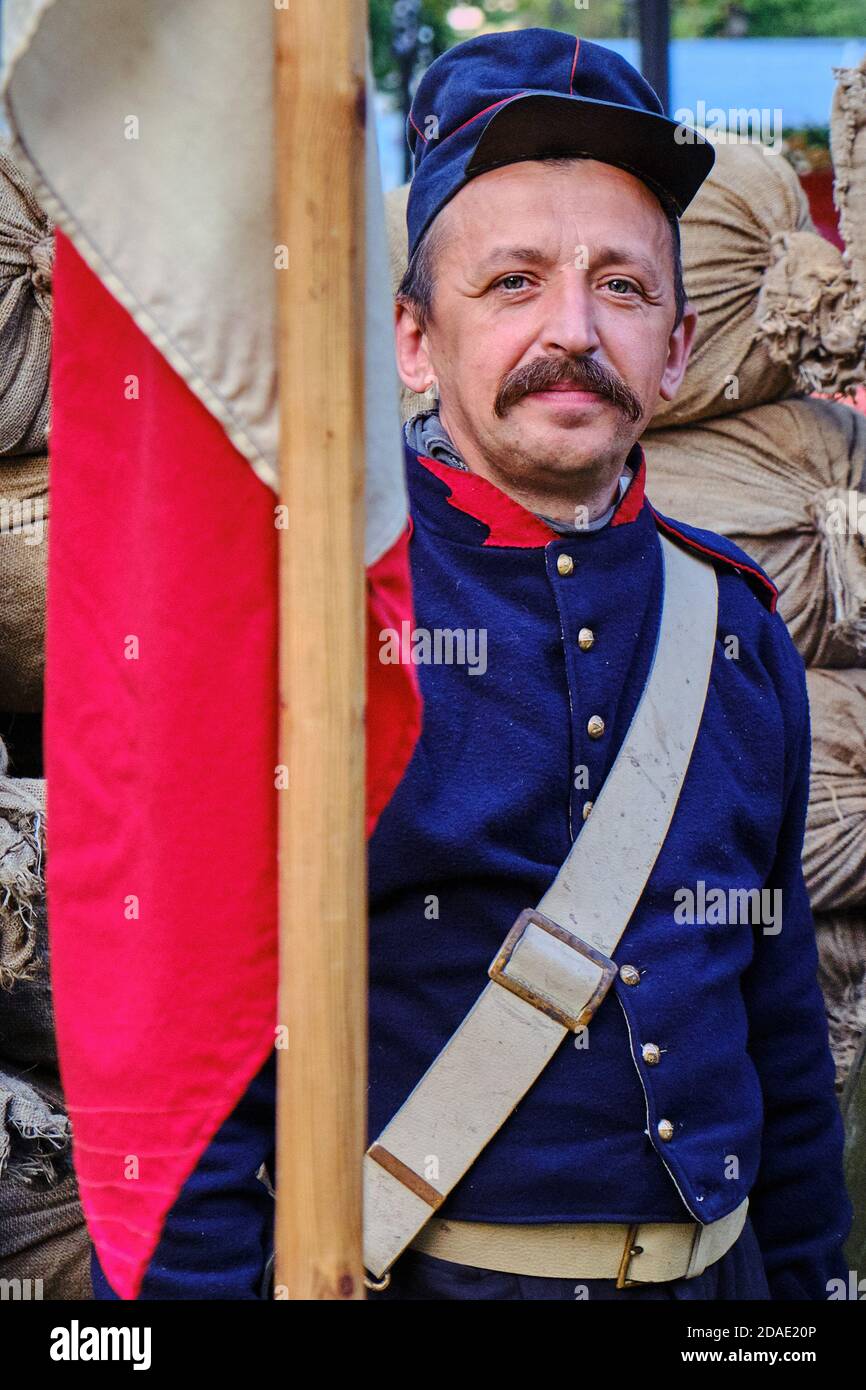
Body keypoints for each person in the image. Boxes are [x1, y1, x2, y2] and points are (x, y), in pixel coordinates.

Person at [94, 27, 853, 1301]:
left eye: (620, 286)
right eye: (510, 282)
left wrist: (810, 1288)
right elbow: (194, 1059)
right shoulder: (314, 621)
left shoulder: (735, 629)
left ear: (674, 348)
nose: (571, 327)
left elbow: (777, 1034)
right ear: (411, 337)